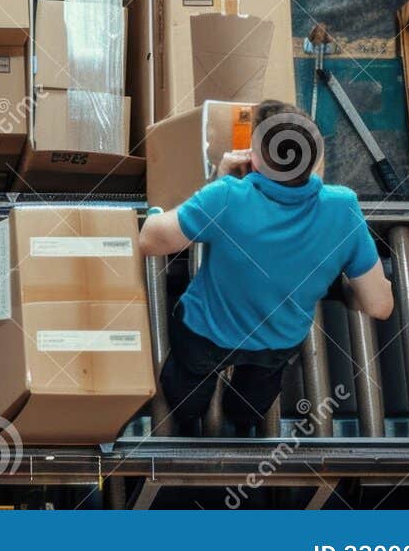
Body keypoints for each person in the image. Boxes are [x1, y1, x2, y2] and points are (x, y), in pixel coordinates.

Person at [138, 100, 395, 435]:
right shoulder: (343, 207)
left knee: (186, 389)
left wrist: (213, 185)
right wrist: (345, 291)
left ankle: (188, 418)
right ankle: (241, 421)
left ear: (253, 157)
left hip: (204, 333)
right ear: (315, 161)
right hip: (277, 343)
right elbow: (379, 305)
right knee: (252, 398)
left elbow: (150, 241)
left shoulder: (227, 197)